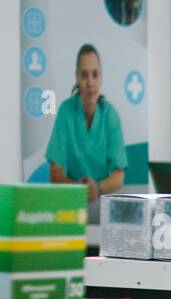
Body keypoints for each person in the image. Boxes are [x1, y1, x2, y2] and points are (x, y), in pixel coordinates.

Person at [46, 44, 127, 204]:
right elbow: (55, 171)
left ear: (101, 77)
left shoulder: (110, 115)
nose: (90, 82)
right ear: (76, 78)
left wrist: (97, 188)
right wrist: (78, 189)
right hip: (72, 199)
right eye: (84, 75)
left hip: (103, 199)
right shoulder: (66, 112)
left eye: (95, 74)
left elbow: (119, 175)